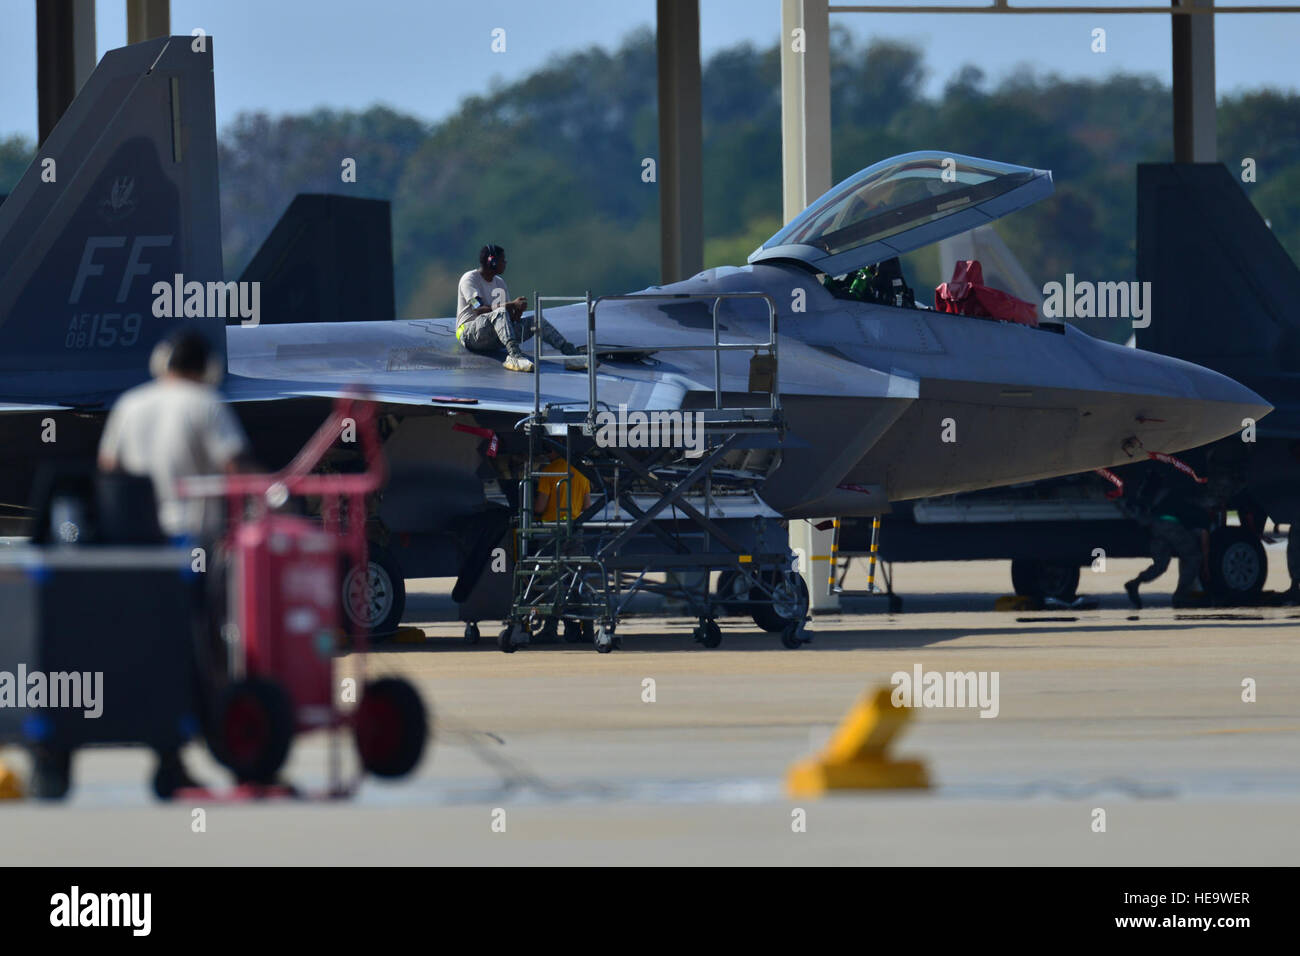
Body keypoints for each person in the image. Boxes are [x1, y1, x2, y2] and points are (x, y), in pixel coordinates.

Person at [98, 328, 253, 793]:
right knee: (207, 650)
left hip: (142, 547)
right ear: (206, 368)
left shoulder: (129, 405)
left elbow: (110, 472)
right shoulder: (206, 404)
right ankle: (228, 746)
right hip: (195, 546)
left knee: (159, 650)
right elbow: (236, 466)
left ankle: (170, 755)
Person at [455, 243, 579, 372]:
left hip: (495, 336)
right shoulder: (469, 279)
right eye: (502, 260)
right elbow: (478, 310)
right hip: (470, 333)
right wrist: (511, 305)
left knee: (536, 321)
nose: (505, 262)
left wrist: (518, 311)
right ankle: (515, 356)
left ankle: (571, 355)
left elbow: (508, 320)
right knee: (500, 312)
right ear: (492, 262)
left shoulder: (500, 283)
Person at [1123, 469, 1209, 609]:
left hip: (1156, 524)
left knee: (1161, 564)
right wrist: (1205, 567)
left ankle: (1135, 583)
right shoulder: (1203, 513)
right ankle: (1181, 595)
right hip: (1170, 524)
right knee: (1193, 557)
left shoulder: (1172, 487)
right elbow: (1205, 543)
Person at [534, 447, 591, 524]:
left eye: (548, 451)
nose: (545, 454)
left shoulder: (548, 471)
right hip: (575, 525)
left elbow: (540, 508)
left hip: (552, 526)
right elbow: (587, 506)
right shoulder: (582, 472)